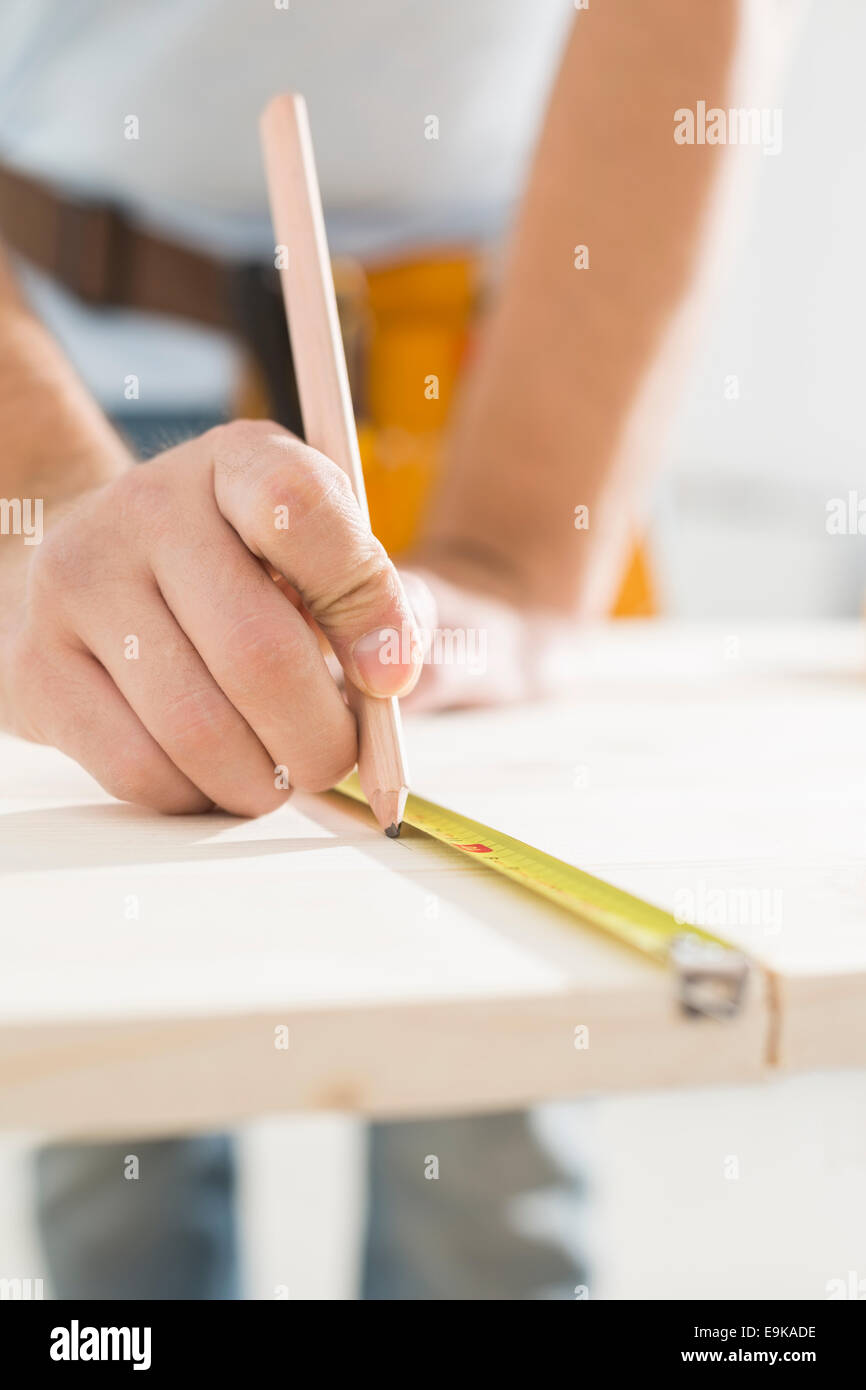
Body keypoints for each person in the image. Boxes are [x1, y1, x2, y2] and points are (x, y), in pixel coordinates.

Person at [0, 0, 791, 1299]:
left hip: (486, 369)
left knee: (489, 1129)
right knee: (115, 1106)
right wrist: (32, 502)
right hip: (72, 353)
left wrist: (514, 555)